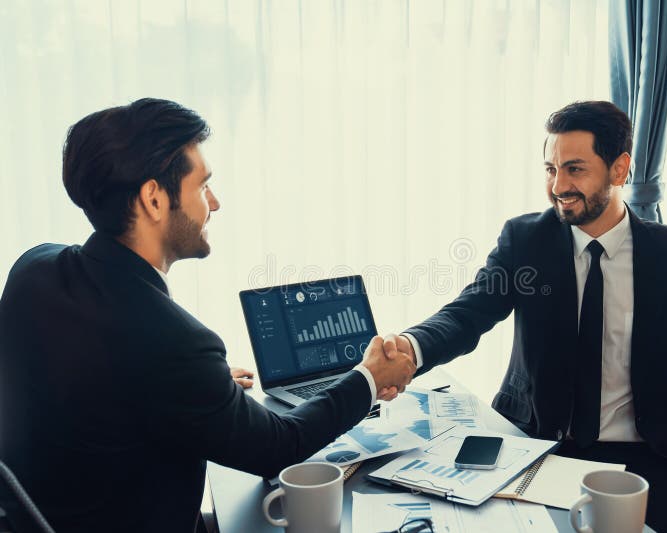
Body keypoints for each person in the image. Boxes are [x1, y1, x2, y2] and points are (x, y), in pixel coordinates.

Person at [0, 98, 415, 533]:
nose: (213, 203)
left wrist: (202, 392)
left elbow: (95, 381)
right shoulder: (172, 343)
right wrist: (368, 377)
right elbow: (278, 446)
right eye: (202, 186)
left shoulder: (33, 270)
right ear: (154, 199)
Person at [382, 101, 667, 531]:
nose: (558, 185)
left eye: (575, 169)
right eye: (550, 169)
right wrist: (410, 349)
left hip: (650, 456)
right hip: (540, 447)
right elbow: (468, 314)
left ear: (620, 170)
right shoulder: (526, 240)